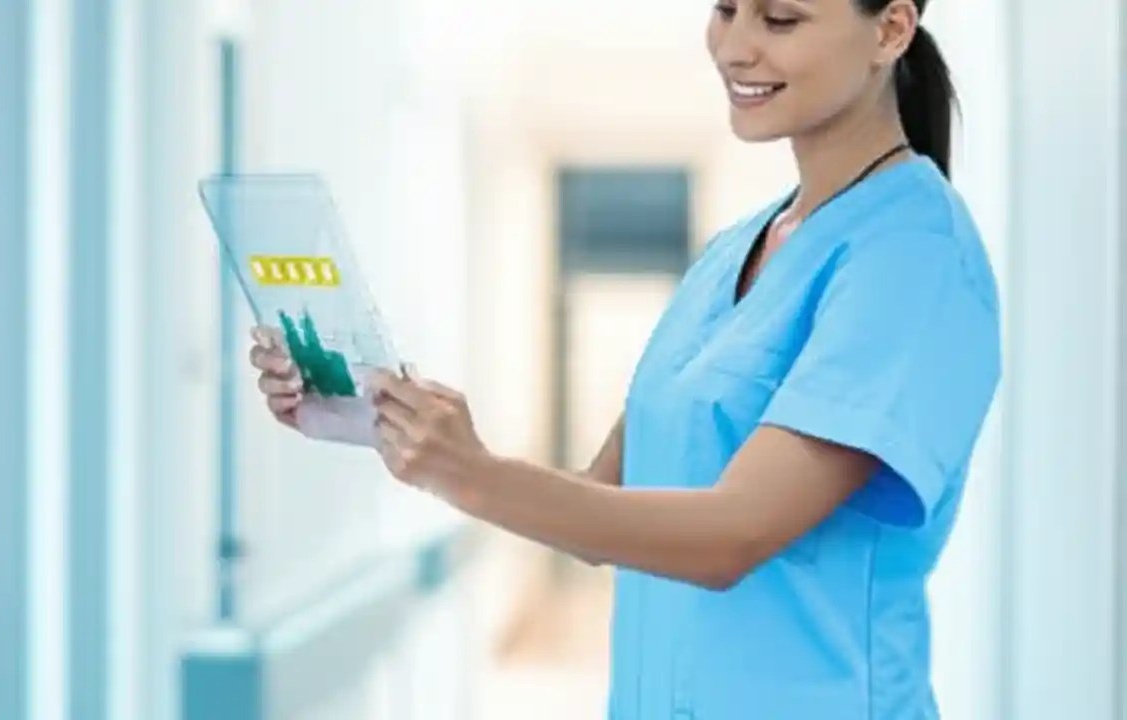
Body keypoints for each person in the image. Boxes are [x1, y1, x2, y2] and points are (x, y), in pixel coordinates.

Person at [249, 0, 1000, 716]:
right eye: (725, 10)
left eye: (780, 19)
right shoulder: (733, 252)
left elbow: (730, 535)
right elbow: (597, 503)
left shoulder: (911, 255)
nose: (736, 46)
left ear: (891, 29)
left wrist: (471, 473)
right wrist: (383, 415)